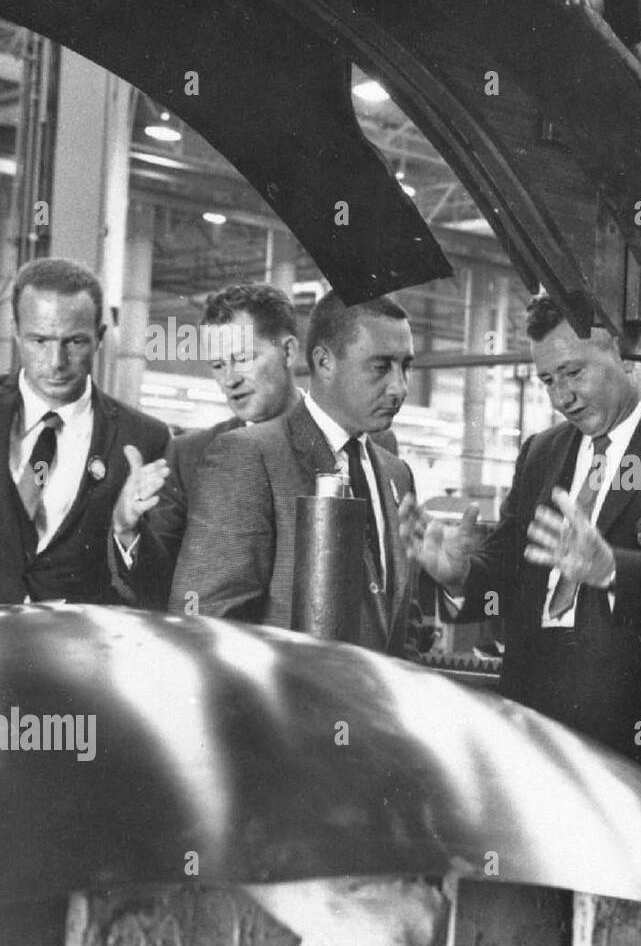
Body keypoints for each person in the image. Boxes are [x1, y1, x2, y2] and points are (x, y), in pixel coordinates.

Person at [402, 292, 641, 781]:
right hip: (535, 726)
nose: (561, 398)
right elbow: (510, 578)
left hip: (639, 737)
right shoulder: (541, 452)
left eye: (574, 373)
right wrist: (459, 576)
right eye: (547, 380)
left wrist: (612, 568)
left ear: (620, 352)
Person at [169, 292, 419, 655]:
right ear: (324, 362)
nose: (399, 388)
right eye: (381, 367)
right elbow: (206, 629)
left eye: (405, 366)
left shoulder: (397, 474)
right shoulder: (248, 455)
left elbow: (401, 621)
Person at [0, 257, 170, 607]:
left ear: (100, 338)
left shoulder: (143, 438)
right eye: (39, 340)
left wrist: (126, 529)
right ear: (15, 331)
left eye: (74, 342)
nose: (56, 362)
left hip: (81, 651)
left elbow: (157, 586)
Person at [149, 282, 303, 589]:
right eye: (218, 365)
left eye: (243, 359)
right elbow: (157, 574)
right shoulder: (188, 456)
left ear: (288, 352)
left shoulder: (354, 443)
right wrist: (125, 529)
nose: (229, 379)